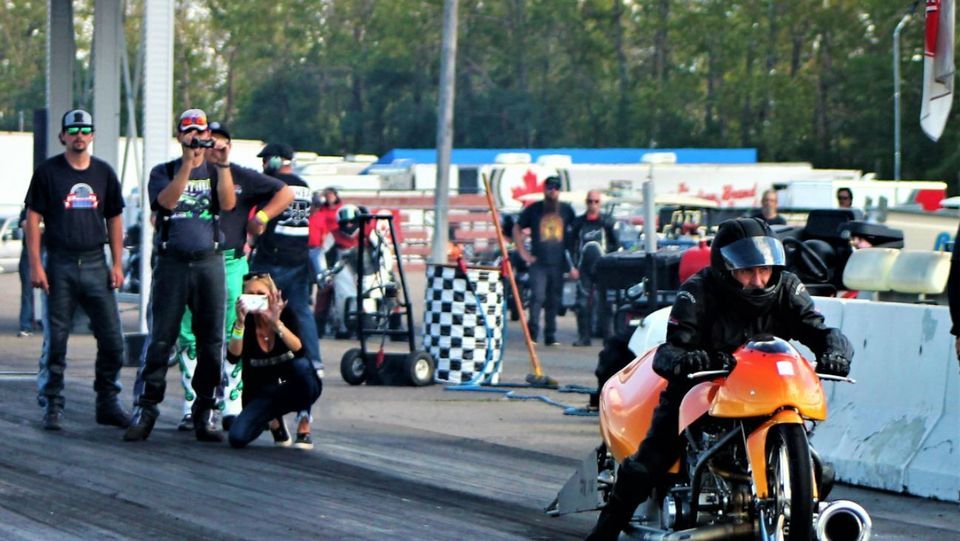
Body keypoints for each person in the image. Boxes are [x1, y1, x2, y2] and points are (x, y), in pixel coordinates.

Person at [587, 217, 854, 540]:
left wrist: (835, 352)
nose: (758, 280)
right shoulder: (698, 292)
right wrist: (693, 358)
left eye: (764, 269)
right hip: (703, 385)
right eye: (747, 271)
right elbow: (668, 352)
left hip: (765, 387)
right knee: (650, 461)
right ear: (725, 270)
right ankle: (605, 530)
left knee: (820, 472)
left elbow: (818, 328)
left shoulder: (785, 287)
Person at [169, 122, 294, 431]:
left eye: (220, 143)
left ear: (229, 146)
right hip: (190, 261)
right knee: (188, 333)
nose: (214, 148)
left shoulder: (240, 175)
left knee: (232, 329)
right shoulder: (184, 172)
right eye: (208, 142)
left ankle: (231, 403)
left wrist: (261, 217)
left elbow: (285, 191)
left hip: (229, 261)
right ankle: (191, 404)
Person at [124, 108, 236, 443]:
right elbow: (167, 204)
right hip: (173, 262)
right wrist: (187, 164)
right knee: (161, 338)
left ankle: (205, 410)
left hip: (208, 262)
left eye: (200, 132)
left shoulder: (217, 172)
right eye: (188, 132)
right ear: (179, 136)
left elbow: (228, 205)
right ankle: (146, 408)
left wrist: (224, 162)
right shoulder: (164, 171)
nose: (195, 139)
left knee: (211, 341)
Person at [24, 108, 131, 431]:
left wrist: (117, 263)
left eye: (85, 130)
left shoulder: (103, 173)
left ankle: (107, 401)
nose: (79, 136)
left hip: (96, 262)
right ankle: (52, 403)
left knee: (113, 339)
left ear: (93, 135)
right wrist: (35, 265)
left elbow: (114, 217)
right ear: (63, 136)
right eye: (73, 131)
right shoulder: (48, 172)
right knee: (56, 340)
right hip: (60, 263)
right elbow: (32, 219)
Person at [250, 142, 322, 447]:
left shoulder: (274, 185)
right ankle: (305, 413)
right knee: (302, 321)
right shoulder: (305, 186)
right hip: (299, 264)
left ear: (279, 161)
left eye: (267, 160)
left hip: (272, 264)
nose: (264, 165)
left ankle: (272, 416)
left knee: (258, 325)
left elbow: (258, 224)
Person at [226, 272, 322, 449]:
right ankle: (274, 421)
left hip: (292, 385)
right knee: (237, 438)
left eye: (261, 294)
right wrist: (239, 324)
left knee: (301, 366)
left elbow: (299, 351)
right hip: (263, 392)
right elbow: (233, 357)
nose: (256, 299)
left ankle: (304, 423)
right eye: (250, 295)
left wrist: (276, 324)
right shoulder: (244, 322)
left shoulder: (286, 315)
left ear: (272, 295)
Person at [513, 175, 577, 345]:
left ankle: (550, 335)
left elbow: (575, 235)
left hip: (558, 263)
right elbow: (517, 227)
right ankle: (532, 334)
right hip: (538, 263)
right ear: (544, 189)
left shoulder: (566, 210)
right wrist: (523, 253)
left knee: (553, 300)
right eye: (550, 188)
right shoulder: (534, 209)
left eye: (556, 188)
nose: (552, 191)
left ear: (560, 191)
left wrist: (572, 263)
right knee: (537, 298)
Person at [569, 190, 618, 346]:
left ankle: (608, 338)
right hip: (583, 269)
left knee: (606, 304)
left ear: (600, 203)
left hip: (603, 268)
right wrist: (572, 267)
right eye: (590, 201)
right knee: (582, 303)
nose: (593, 205)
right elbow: (570, 247)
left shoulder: (607, 222)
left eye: (596, 201)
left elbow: (616, 246)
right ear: (586, 202)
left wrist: (613, 266)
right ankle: (584, 337)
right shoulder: (578, 222)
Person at [17, 206, 42, 337]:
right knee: (28, 290)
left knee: (53, 290)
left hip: (49, 251)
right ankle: (26, 324)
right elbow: (26, 226)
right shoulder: (27, 210)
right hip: (29, 253)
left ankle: (41, 321)